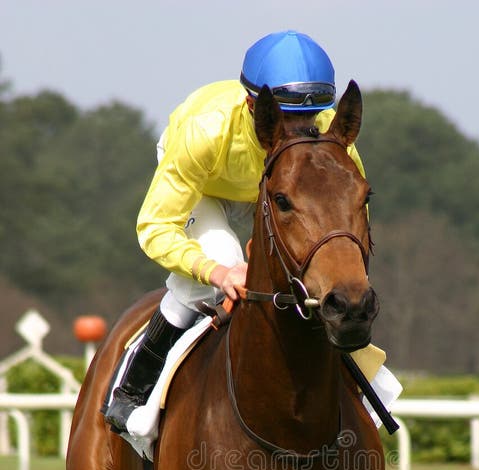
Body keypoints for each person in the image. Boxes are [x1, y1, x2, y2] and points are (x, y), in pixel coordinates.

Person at [105, 30, 365, 432]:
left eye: (309, 119)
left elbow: (349, 208)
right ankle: (134, 393)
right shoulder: (204, 134)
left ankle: (369, 390)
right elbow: (155, 227)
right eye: (287, 118)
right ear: (252, 107)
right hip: (206, 182)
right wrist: (218, 273)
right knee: (226, 258)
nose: (301, 129)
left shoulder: (329, 130)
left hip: (273, 188)